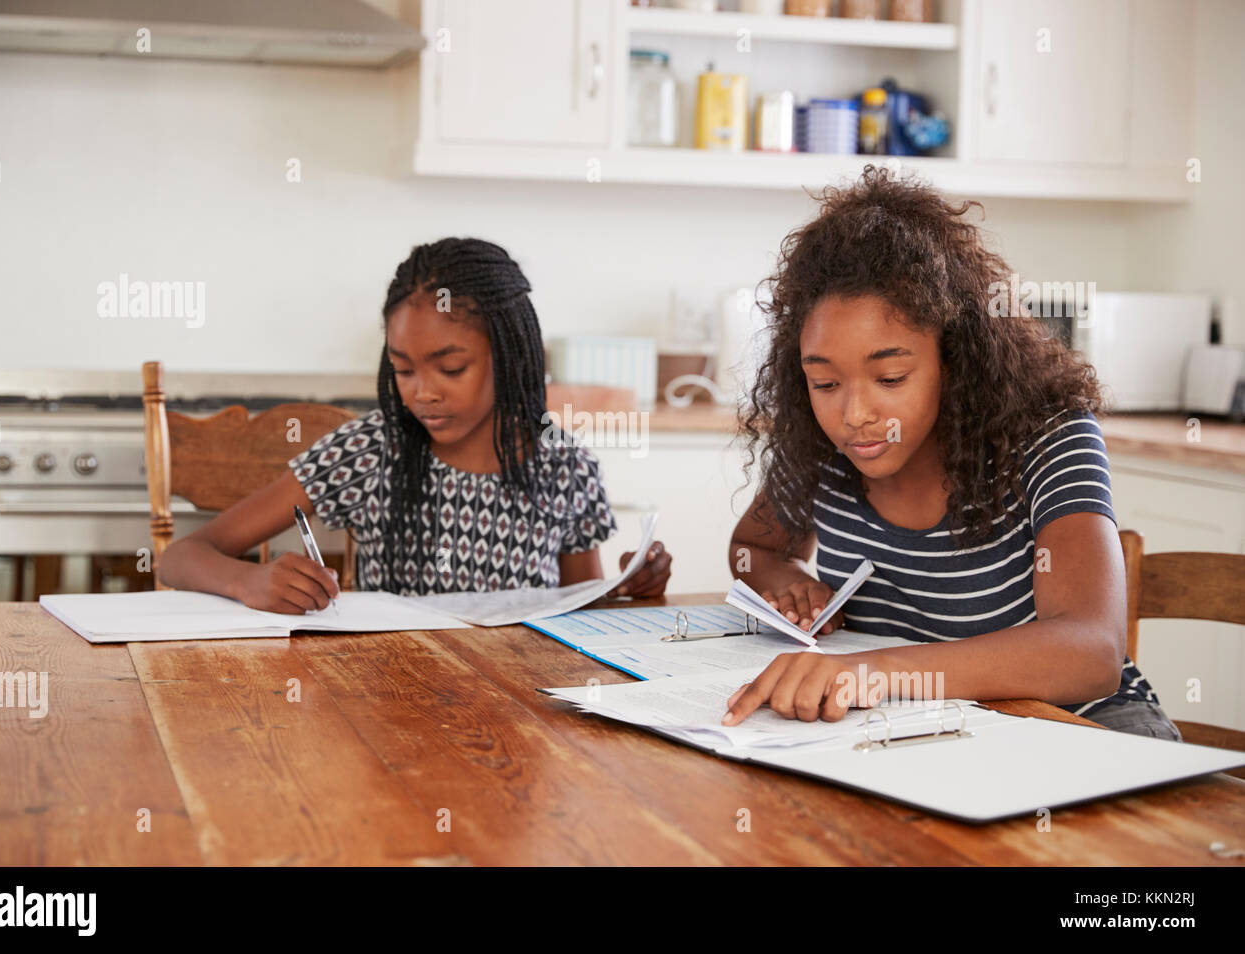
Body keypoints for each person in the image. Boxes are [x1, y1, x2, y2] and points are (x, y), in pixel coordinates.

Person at [722, 167, 1179, 740]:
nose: (854, 413)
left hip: (1086, 728)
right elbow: (752, 547)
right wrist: (786, 577)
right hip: (928, 731)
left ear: (954, 359)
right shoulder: (823, 446)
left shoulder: (1047, 436)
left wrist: (872, 671)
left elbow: (1092, 650)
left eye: (890, 377)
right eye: (825, 383)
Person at [159, 237, 672, 610]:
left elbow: (579, 610)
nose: (422, 391)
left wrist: (629, 589)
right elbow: (181, 558)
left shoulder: (563, 465)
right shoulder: (370, 451)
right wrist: (248, 581)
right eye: (403, 369)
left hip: (518, 713)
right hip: (393, 702)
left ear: (511, 356)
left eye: (451, 369)